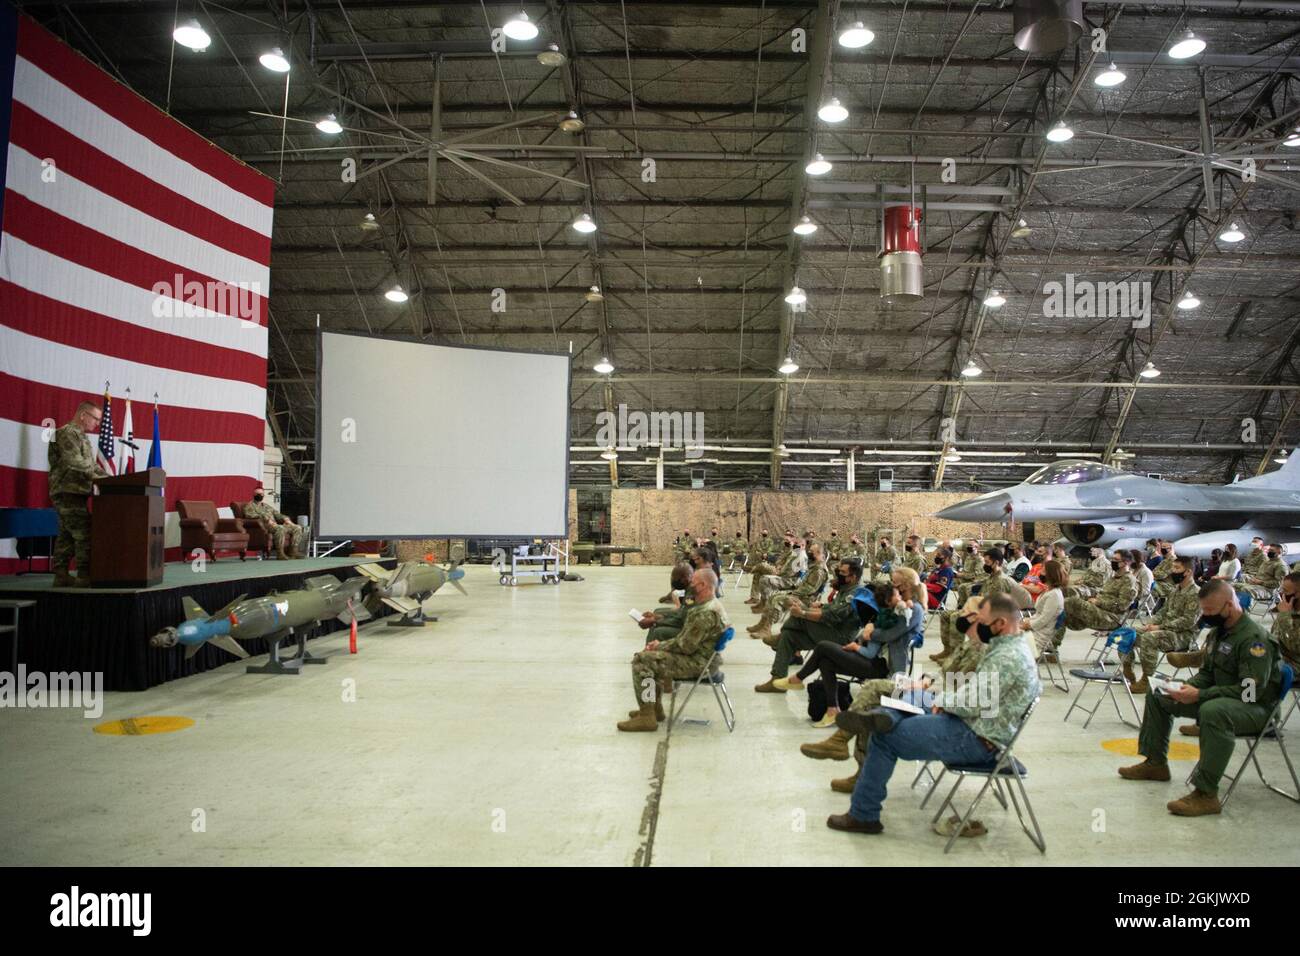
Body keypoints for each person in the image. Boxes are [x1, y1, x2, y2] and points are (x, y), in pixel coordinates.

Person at [826, 594, 1041, 835]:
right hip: (974, 721)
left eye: (982, 620)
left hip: (976, 736)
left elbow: (974, 703)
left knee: (884, 738)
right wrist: (945, 700)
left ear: (1000, 623)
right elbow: (973, 695)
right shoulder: (1012, 647)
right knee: (905, 697)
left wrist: (944, 701)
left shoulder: (1006, 658)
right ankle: (885, 715)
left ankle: (863, 815)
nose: (978, 625)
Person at [1117, 580, 1282, 816]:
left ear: (1229, 605)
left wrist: (1201, 695)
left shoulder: (1254, 640)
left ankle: (1206, 794)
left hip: (1256, 709)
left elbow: (1249, 692)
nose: (1206, 616)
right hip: (1222, 697)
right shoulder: (1219, 633)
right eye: (1203, 610)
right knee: (1159, 694)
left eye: (1210, 611)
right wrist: (1186, 689)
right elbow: (1207, 674)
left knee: (1213, 711)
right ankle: (1155, 764)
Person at [802, 598, 989, 792]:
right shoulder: (969, 645)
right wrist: (925, 680)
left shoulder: (978, 650)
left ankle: (844, 748)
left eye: (964, 611)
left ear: (976, 617)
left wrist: (923, 688)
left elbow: (959, 691)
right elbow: (946, 675)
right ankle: (846, 751)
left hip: (939, 704)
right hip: (929, 691)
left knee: (874, 697)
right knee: (873, 697)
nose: (958, 615)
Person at [772, 581, 915, 726]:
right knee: (825, 661)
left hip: (876, 666)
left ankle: (797, 678)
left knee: (823, 647)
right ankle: (832, 710)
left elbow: (871, 653)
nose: (901, 597)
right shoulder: (881, 619)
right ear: (888, 601)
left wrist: (856, 646)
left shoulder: (887, 621)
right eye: (897, 595)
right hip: (868, 660)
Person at [619, 568, 728, 732]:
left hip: (699, 663)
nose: (690, 584)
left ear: (703, 585)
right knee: (649, 656)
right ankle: (654, 709)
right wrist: (659, 645)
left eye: (693, 582)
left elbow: (686, 646)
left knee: (642, 661)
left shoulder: (705, 613)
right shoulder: (708, 605)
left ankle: (647, 716)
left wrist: (658, 645)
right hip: (702, 657)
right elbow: (685, 639)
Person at [754, 557, 875, 694]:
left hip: (840, 638)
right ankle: (777, 680)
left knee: (800, 618)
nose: (838, 574)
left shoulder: (854, 593)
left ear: (852, 577)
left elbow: (833, 616)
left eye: (842, 572)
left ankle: (780, 636)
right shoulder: (845, 589)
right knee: (788, 637)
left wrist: (803, 613)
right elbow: (832, 609)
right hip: (828, 630)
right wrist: (816, 607)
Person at [47, 400, 108, 587]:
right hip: (67, 491)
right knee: (84, 533)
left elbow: (91, 465)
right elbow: (73, 462)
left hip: (75, 492)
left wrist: (108, 477)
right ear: (83, 415)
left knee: (66, 535)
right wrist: (101, 478)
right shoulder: (67, 433)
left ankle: (61, 574)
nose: (97, 424)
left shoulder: (82, 437)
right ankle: (83, 575)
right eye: (96, 419)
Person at [1120, 556, 1201, 693]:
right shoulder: (1176, 590)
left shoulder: (1196, 593)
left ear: (1188, 572)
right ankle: (1128, 670)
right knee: (1126, 633)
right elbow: (1163, 611)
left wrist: (1160, 627)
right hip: (1165, 630)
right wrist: (1151, 623)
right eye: (1173, 567)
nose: (1173, 571)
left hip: (1183, 635)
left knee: (1149, 638)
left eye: (1177, 568)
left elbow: (1188, 621)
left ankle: (1147, 680)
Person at [936, 548, 1012, 662]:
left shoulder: (1001, 580)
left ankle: (955, 656)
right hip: (980, 609)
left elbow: (997, 606)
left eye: (987, 562)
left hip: (990, 616)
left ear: (996, 562)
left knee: (955, 617)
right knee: (945, 614)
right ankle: (948, 650)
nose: (984, 565)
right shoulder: (991, 577)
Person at [751, 539, 828, 642]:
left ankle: (767, 629)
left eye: (811, 552)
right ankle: (762, 624)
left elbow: (810, 589)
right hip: (801, 594)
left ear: (819, 554)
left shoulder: (819, 570)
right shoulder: (814, 566)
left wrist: (792, 592)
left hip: (808, 600)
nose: (809, 553)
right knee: (773, 596)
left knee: (779, 599)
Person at [1063, 550, 1138, 633]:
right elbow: (1103, 594)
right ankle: (1050, 643)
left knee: (1072, 602)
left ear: (1125, 563)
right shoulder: (1114, 577)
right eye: (1112, 559)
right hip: (1098, 611)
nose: (1112, 562)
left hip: (1112, 618)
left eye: (1116, 560)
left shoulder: (1129, 580)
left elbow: (1122, 606)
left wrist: (1098, 602)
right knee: (1062, 617)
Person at [1020, 559, 1068, 658]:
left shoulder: (1054, 595)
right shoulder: (1048, 591)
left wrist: (1027, 625)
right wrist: (1025, 622)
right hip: (1035, 630)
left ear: (1050, 574)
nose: (1040, 573)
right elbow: (1039, 615)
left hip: (1039, 637)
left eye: (1043, 571)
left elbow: (1043, 619)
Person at [638, 562, 695, 644]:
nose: (675, 581)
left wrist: (656, 620)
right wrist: (657, 617)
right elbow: (682, 611)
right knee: (657, 613)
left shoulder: (692, 594)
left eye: (677, 579)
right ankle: (648, 650)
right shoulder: (688, 588)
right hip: (684, 620)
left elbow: (681, 618)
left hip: (688, 629)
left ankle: (649, 652)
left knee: (657, 631)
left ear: (686, 577)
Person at [242, 486, 304, 559]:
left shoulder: (266, 506)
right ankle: (280, 553)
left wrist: (286, 519)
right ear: (254, 495)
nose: (260, 495)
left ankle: (293, 551)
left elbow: (277, 514)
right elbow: (249, 515)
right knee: (280, 528)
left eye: (261, 494)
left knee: (297, 527)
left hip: (275, 525)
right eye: (257, 494)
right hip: (265, 526)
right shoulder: (249, 506)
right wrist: (266, 519)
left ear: (263, 495)